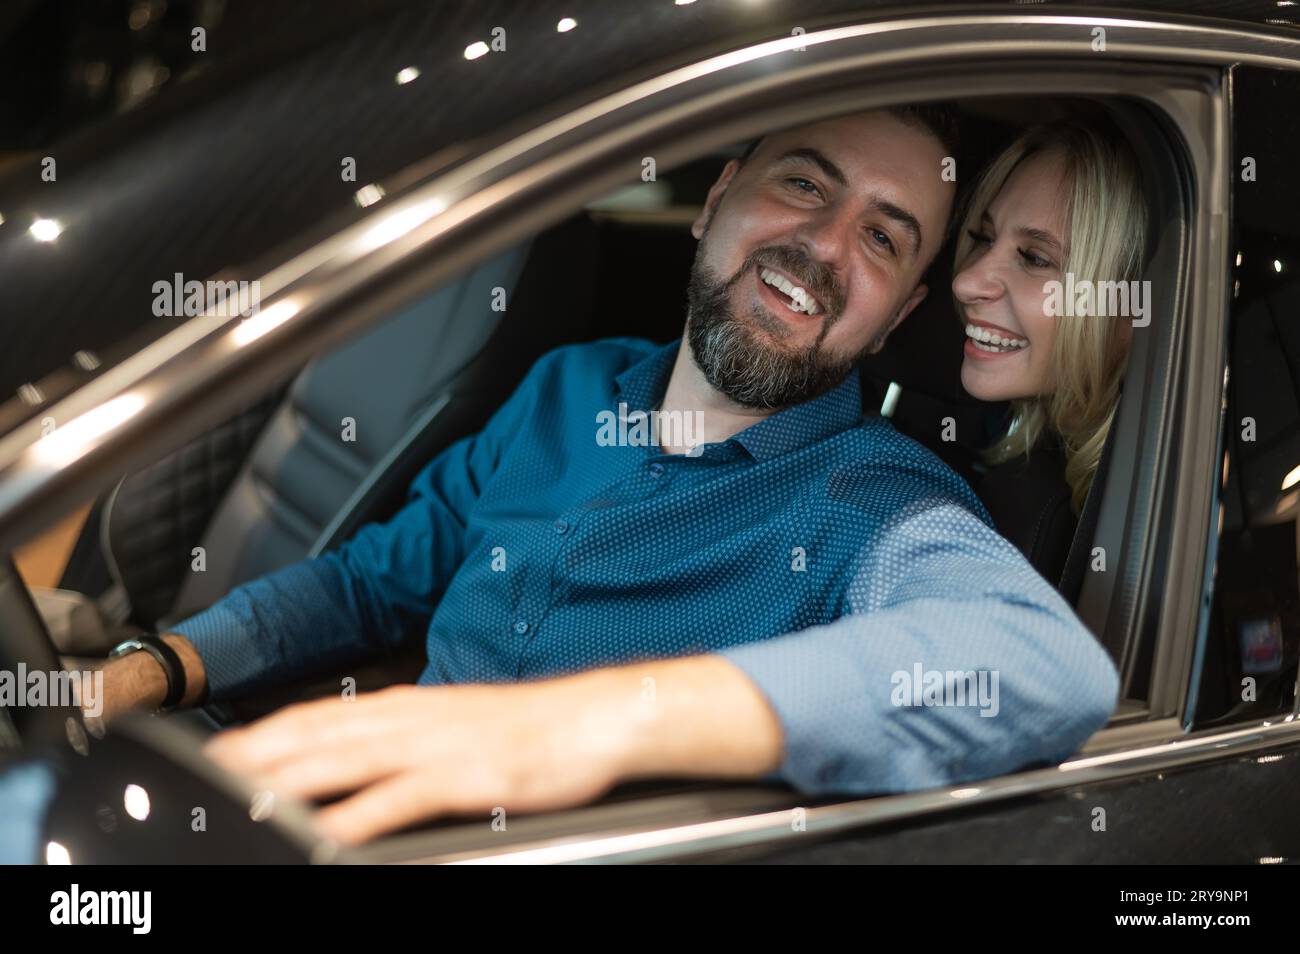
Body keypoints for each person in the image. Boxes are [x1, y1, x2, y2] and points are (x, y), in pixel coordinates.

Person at [95, 105, 1118, 845]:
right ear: (716, 198)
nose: (822, 246)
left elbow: (1036, 664)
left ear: (897, 317)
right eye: (803, 183)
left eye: (884, 238)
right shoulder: (565, 388)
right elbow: (372, 578)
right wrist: (161, 667)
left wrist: (582, 724)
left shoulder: (878, 502)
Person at [953, 118, 1148, 512]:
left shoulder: (1125, 512)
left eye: (1035, 258)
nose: (965, 282)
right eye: (983, 238)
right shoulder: (1024, 460)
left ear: (1128, 307)